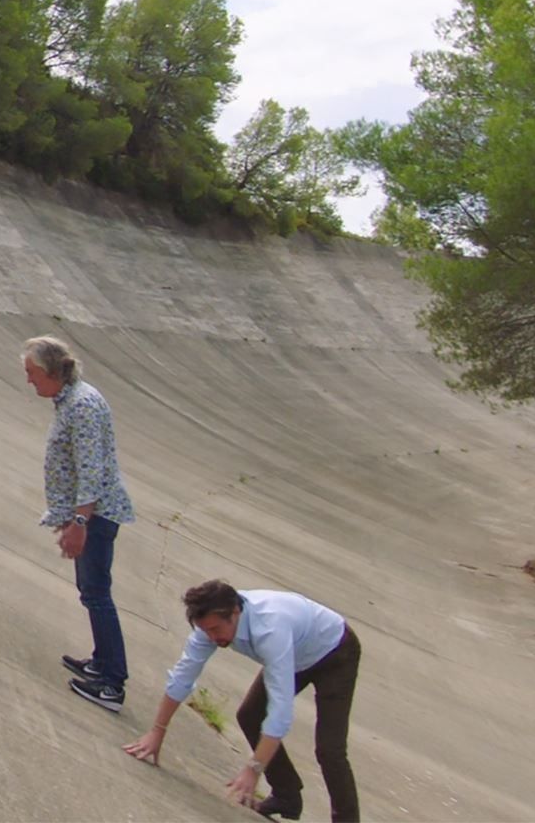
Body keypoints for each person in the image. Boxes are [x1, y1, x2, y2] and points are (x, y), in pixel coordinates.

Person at [123, 579, 362, 822]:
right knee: (249, 715)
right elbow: (184, 674)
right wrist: (157, 731)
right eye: (206, 630)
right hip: (296, 650)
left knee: (329, 749)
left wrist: (253, 768)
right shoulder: (209, 625)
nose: (212, 637)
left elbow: (280, 713)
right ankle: (286, 794)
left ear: (235, 612)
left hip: (335, 654)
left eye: (216, 629)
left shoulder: (270, 630)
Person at [22, 335, 135, 713]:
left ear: (53, 371)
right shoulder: (73, 399)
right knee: (91, 591)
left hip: (96, 515)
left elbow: (91, 471)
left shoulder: (82, 406)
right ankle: (102, 663)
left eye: (32, 372)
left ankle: (112, 685)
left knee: (97, 594)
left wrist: (79, 522)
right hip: (91, 514)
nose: (29, 380)